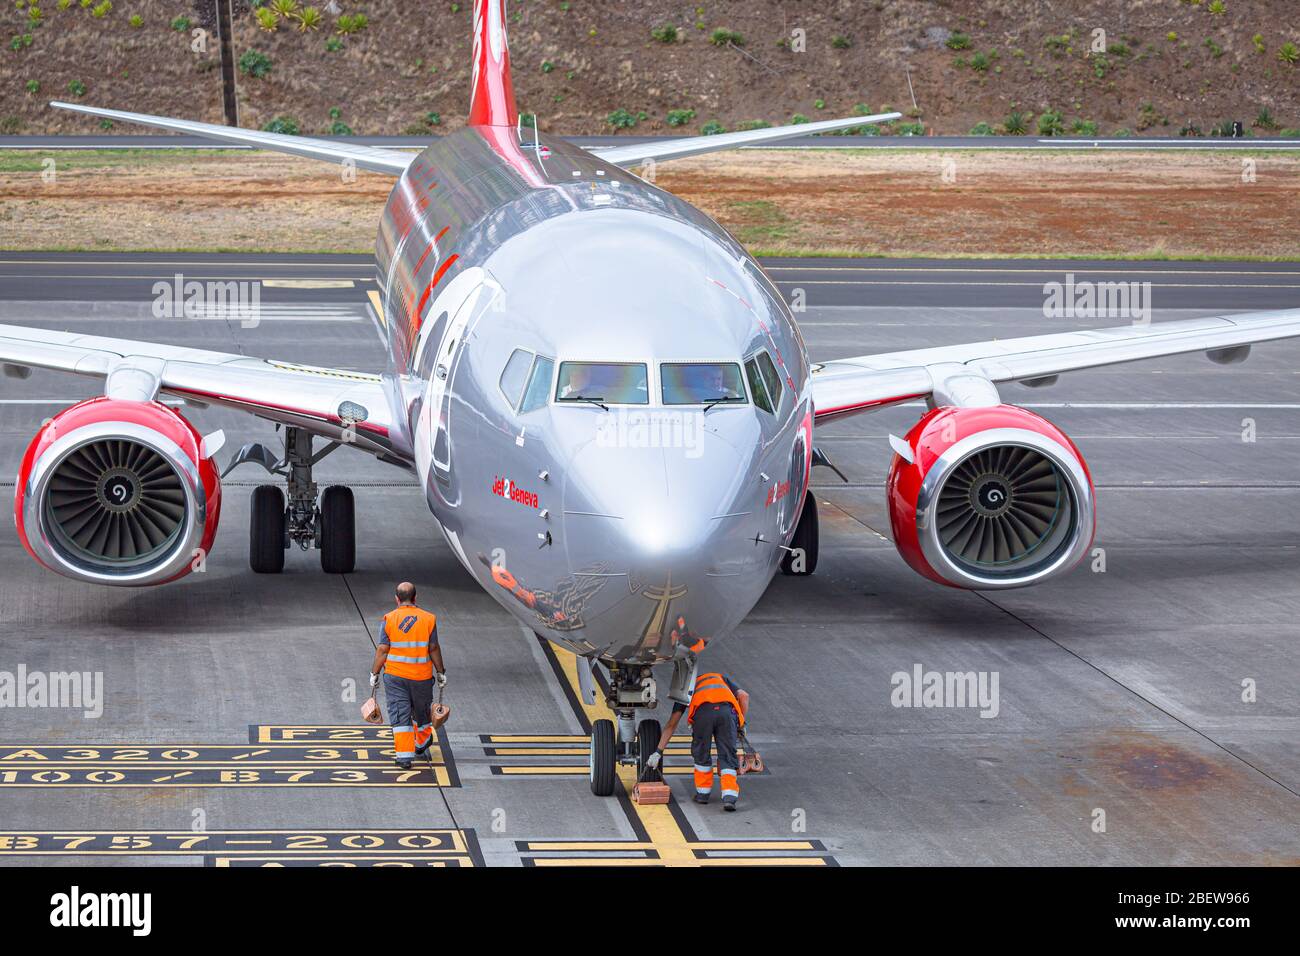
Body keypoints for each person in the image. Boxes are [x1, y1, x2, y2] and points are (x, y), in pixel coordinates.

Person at [368, 582, 446, 769]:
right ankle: (421, 742)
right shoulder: (428, 619)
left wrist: (374, 673)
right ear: (415, 598)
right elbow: (433, 647)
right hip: (422, 677)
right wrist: (441, 671)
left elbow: (383, 649)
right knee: (422, 711)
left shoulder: (389, 619)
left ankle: (404, 757)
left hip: (396, 677)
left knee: (400, 713)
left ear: (396, 599)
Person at [646, 669, 750, 811]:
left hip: (703, 714)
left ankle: (703, 794)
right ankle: (729, 798)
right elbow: (744, 696)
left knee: (701, 753)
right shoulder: (720, 678)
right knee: (727, 755)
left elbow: (671, 724)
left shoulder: (686, 690)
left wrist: (658, 752)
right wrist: (741, 723)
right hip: (726, 713)